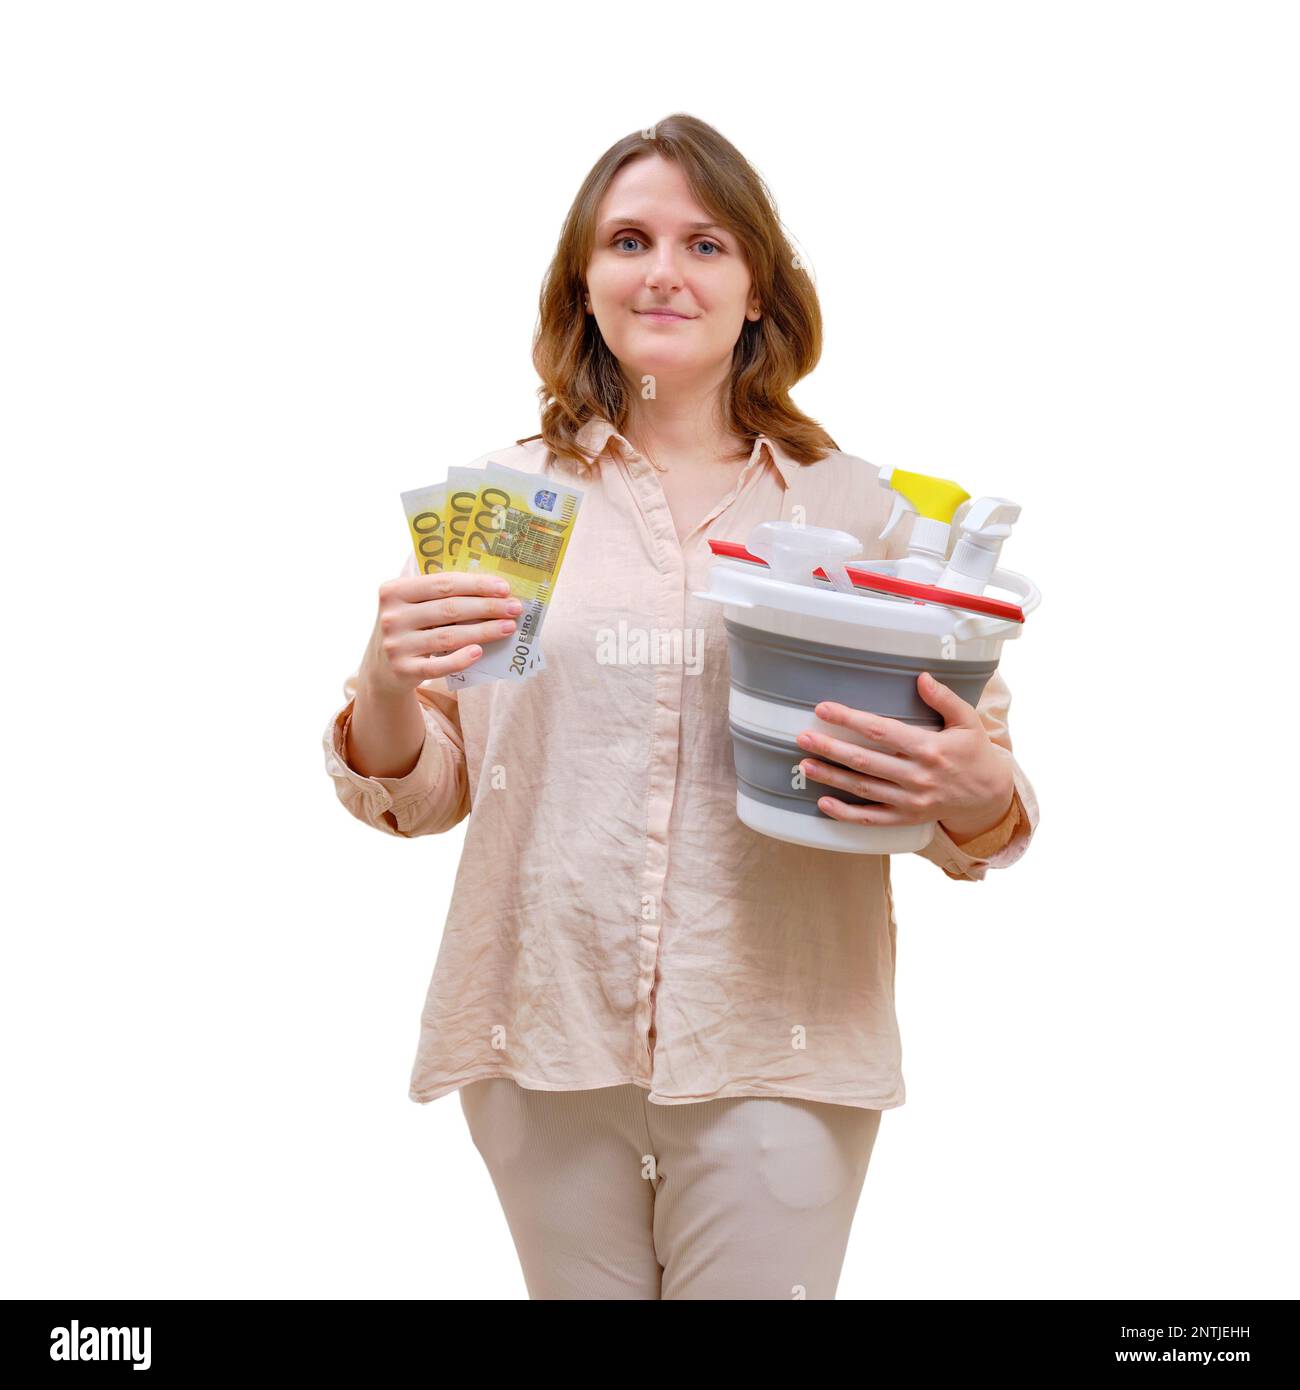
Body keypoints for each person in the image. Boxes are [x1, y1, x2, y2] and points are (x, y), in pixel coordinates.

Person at [322, 113, 1039, 1300]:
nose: (663, 270)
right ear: (584, 283)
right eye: (628, 240)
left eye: (705, 244)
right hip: (543, 1028)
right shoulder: (507, 507)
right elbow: (427, 789)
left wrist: (979, 794)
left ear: (756, 289)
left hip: (780, 1033)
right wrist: (387, 677)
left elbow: (983, 795)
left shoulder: (857, 511)